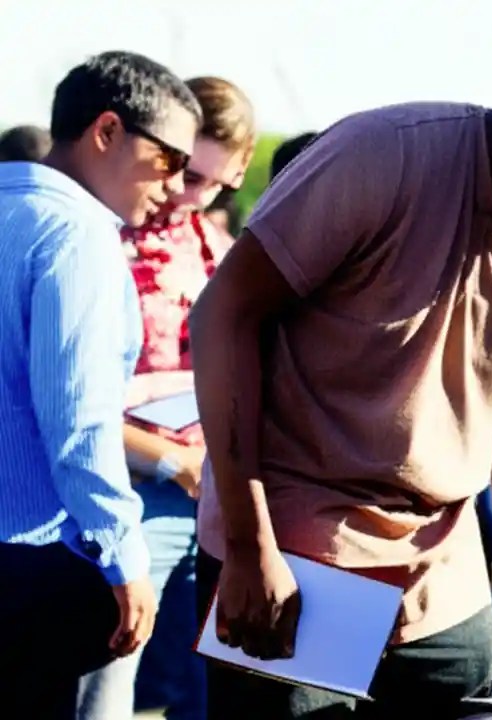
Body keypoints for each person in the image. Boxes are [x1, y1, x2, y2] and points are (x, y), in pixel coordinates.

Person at [188, 30, 492, 718]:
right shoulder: (383, 153)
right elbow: (223, 316)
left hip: (441, 587)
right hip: (295, 562)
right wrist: (247, 546)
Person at [0, 50, 200, 716]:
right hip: (31, 563)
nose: (175, 184)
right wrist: (125, 558)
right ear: (107, 132)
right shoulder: (76, 235)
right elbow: (81, 423)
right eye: (170, 158)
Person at [79, 75, 256, 720]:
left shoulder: (218, 247)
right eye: (183, 174)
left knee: (205, 687)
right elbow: (72, 403)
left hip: (208, 488)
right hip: (124, 485)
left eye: (210, 183)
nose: (187, 196)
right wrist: (167, 460)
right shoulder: (98, 237)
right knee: (104, 684)